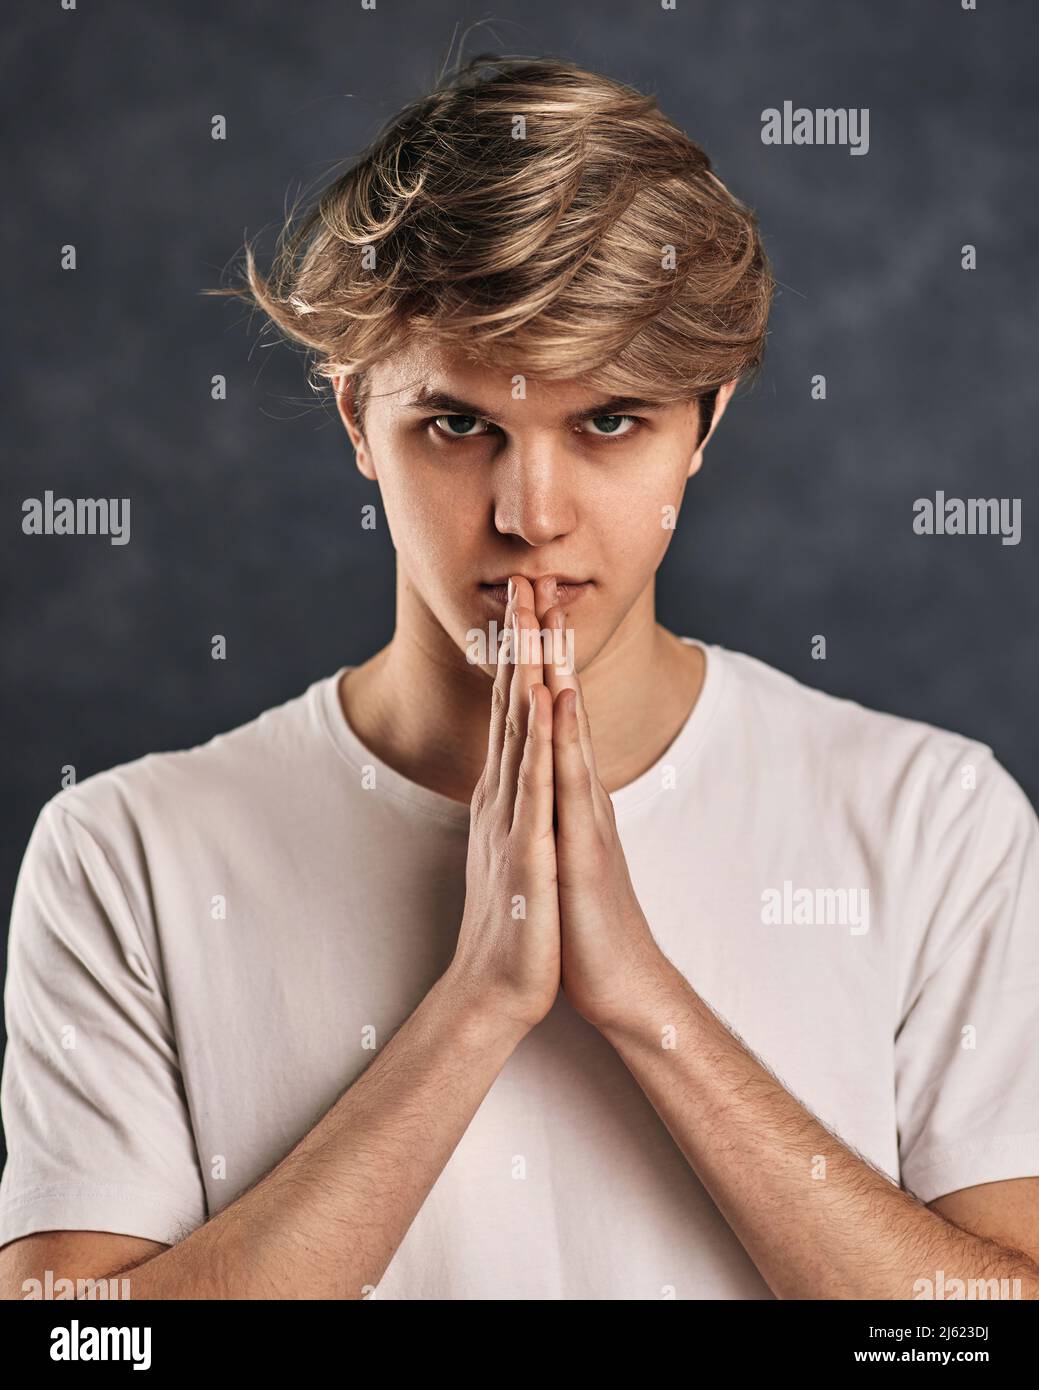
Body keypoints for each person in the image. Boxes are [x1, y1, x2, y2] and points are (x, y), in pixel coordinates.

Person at [1, 55, 1037, 1302]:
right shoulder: (123, 854)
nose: (530, 515)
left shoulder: (936, 824)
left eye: (608, 422)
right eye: (458, 425)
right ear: (356, 421)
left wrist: (644, 1002)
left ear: (705, 421)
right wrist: (477, 1007)